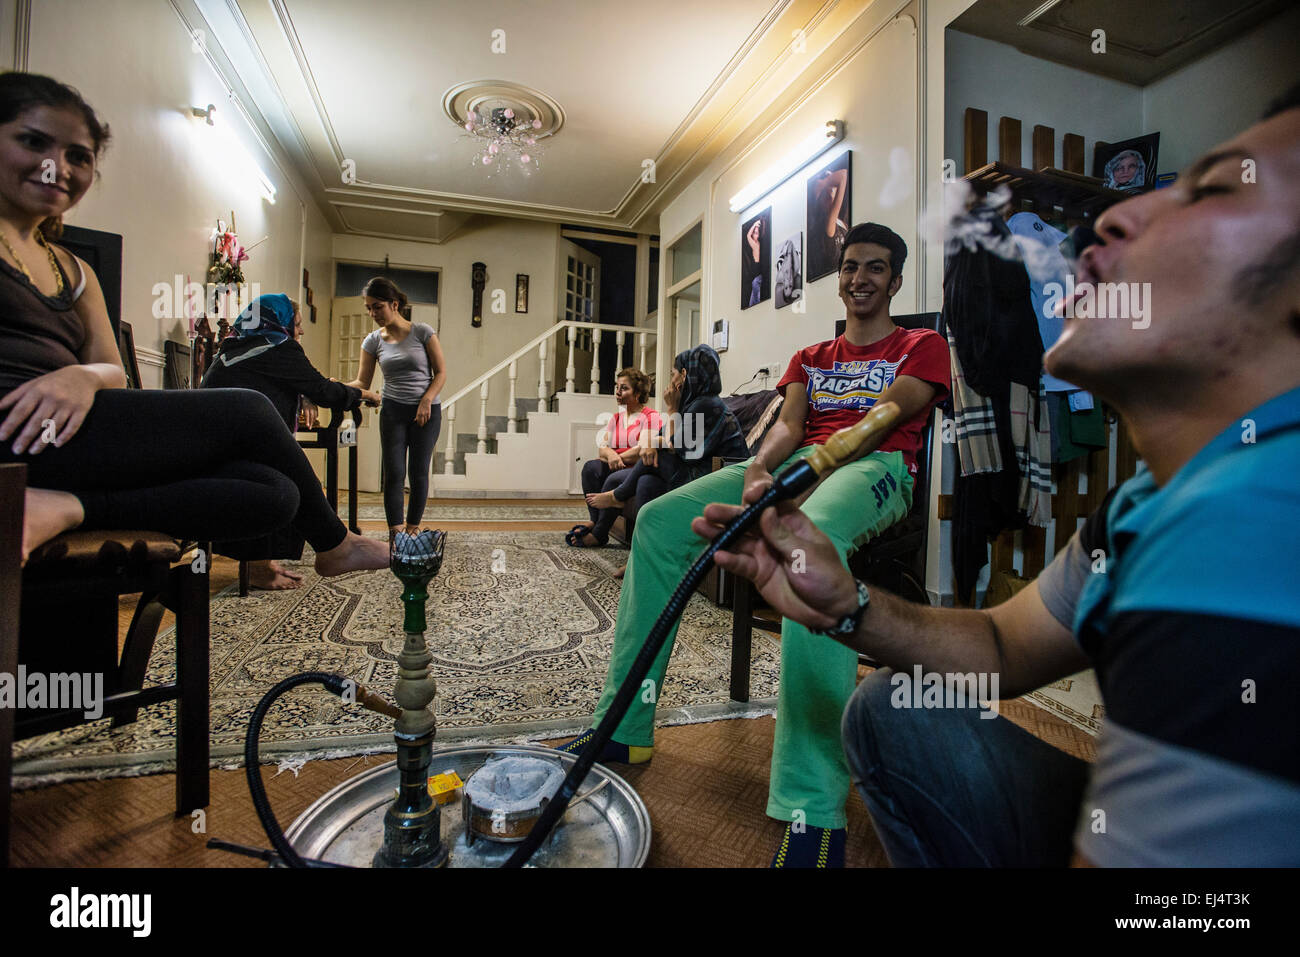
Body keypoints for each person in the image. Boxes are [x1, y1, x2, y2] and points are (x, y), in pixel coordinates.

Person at [693, 88, 1300, 866]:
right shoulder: (1143, 504)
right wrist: (850, 609)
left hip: (876, 471)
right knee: (888, 708)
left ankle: (813, 817)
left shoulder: (1252, 521)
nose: (1107, 220)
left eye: (1212, 189)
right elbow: (1000, 646)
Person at [558, 222, 951, 867]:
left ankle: (813, 808)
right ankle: (624, 730)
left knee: (810, 545)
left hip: (874, 471)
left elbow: (891, 413)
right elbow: (789, 426)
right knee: (657, 520)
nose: (859, 278)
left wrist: (809, 473)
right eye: (851, 266)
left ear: (896, 280)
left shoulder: (921, 344)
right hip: (798, 466)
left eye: (875, 268)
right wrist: (763, 470)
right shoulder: (810, 358)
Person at [0, 72, 388, 576]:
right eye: (33, 141)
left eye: (80, 156)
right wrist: (356, 393)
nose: (58, 166)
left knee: (275, 494)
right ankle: (336, 544)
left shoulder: (74, 270)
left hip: (72, 430)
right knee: (250, 411)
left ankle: (68, 505)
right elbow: (318, 389)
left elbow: (110, 370)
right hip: (15, 425)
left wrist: (82, 376)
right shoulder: (277, 349)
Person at [200, 293, 381, 589]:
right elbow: (325, 391)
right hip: (234, 456)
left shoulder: (236, 347)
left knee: (283, 465)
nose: (300, 331)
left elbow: (289, 385)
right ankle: (331, 546)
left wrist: (305, 394)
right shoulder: (277, 346)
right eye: (296, 324)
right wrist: (365, 395)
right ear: (279, 322)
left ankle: (266, 562)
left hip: (215, 452)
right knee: (285, 476)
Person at [583, 345, 748, 573]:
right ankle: (639, 559)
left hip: (720, 477)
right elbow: (667, 440)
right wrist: (653, 440)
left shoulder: (707, 405)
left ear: (685, 375)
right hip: (701, 470)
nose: (670, 380)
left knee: (657, 455)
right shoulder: (695, 404)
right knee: (646, 482)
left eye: (673, 373)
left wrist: (670, 410)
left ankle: (617, 496)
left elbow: (678, 449)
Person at [346, 276, 446, 537]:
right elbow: (362, 381)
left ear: (394, 303)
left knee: (418, 472)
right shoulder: (372, 341)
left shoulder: (423, 332)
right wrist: (336, 387)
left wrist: (426, 400)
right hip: (393, 411)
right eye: (368, 308)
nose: (372, 313)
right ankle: (396, 533)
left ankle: (413, 529)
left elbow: (441, 373)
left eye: (377, 306)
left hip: (426, 412)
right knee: (394, 473)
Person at [569, 367, 660, 549]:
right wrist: (610, 455)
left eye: (624, 388)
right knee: (590, 468)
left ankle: (599, 534)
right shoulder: (616, 418)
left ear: (638, 392)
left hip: (634, 468)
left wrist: (616, 457)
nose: (618, 393)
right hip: (616, 463)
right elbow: (602, 448)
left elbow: (642, 449)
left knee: (612, 478)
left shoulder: (651, 416)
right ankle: (595, 521)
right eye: (617, 388)